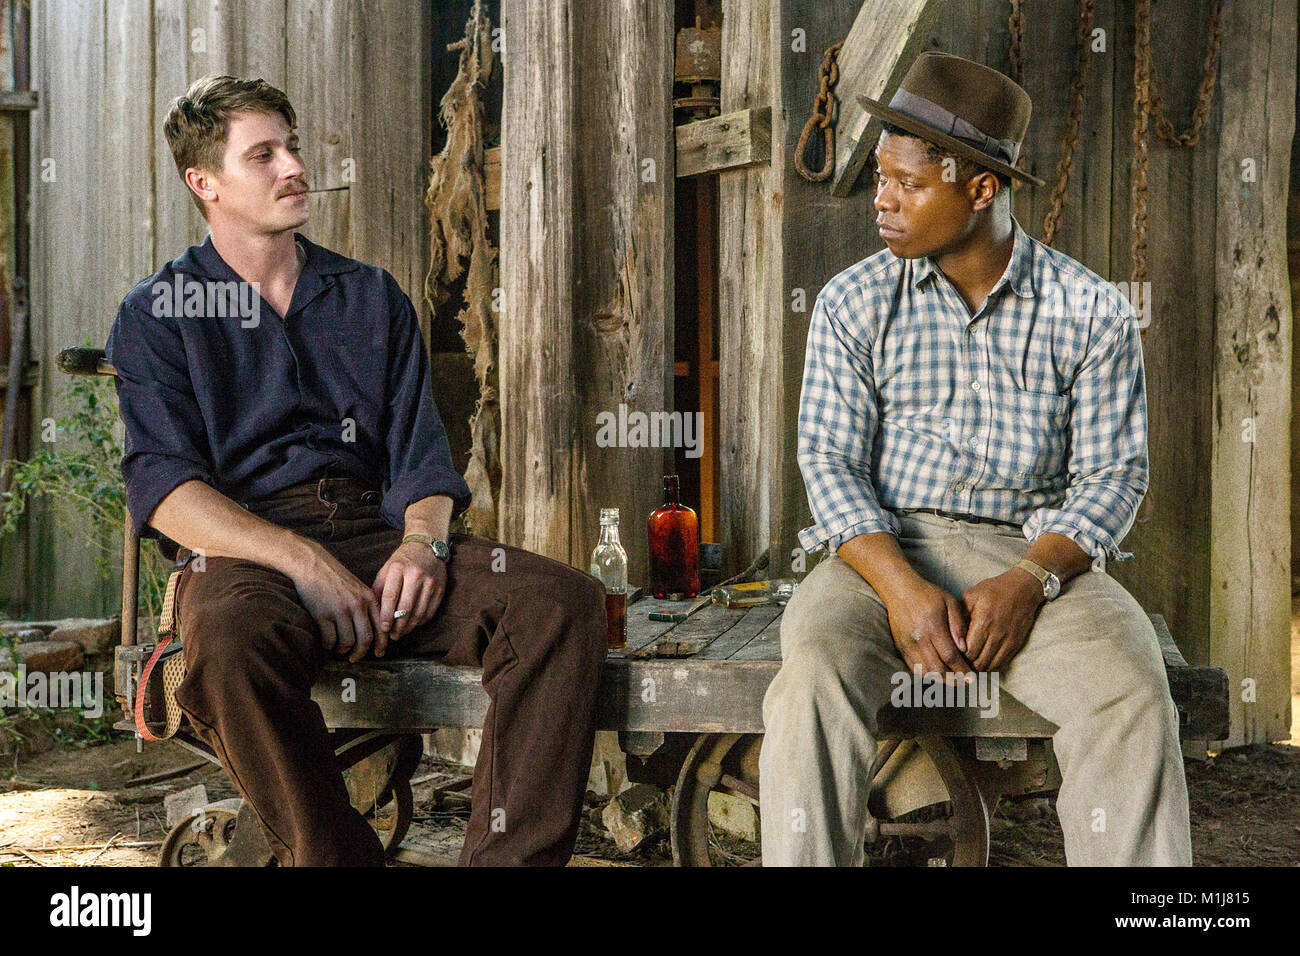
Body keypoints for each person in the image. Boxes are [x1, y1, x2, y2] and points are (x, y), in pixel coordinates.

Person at [105, 75, 606, 866]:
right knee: (228, 644)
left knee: (559, 605)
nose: (293, 167)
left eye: (292, 146)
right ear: (205, 183)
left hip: (376, 534)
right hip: (244, 554)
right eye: (263, 155)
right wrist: (302, 562)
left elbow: (422, 458)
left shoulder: (370, 296)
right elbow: (166, 490)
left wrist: (421, 544)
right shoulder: (157, 312)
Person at [759, 52, 1191, 866]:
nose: (881, 200)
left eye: (907, 184)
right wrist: (901, 589)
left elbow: (1113, 475)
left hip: (1032, 552)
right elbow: (829, 461)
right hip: (879, 552)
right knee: (812, 680)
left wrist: (1032, 580)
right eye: (879, 177)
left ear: (981, 189)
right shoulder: (854, 301)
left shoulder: (1088, 310)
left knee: (1133, 698)